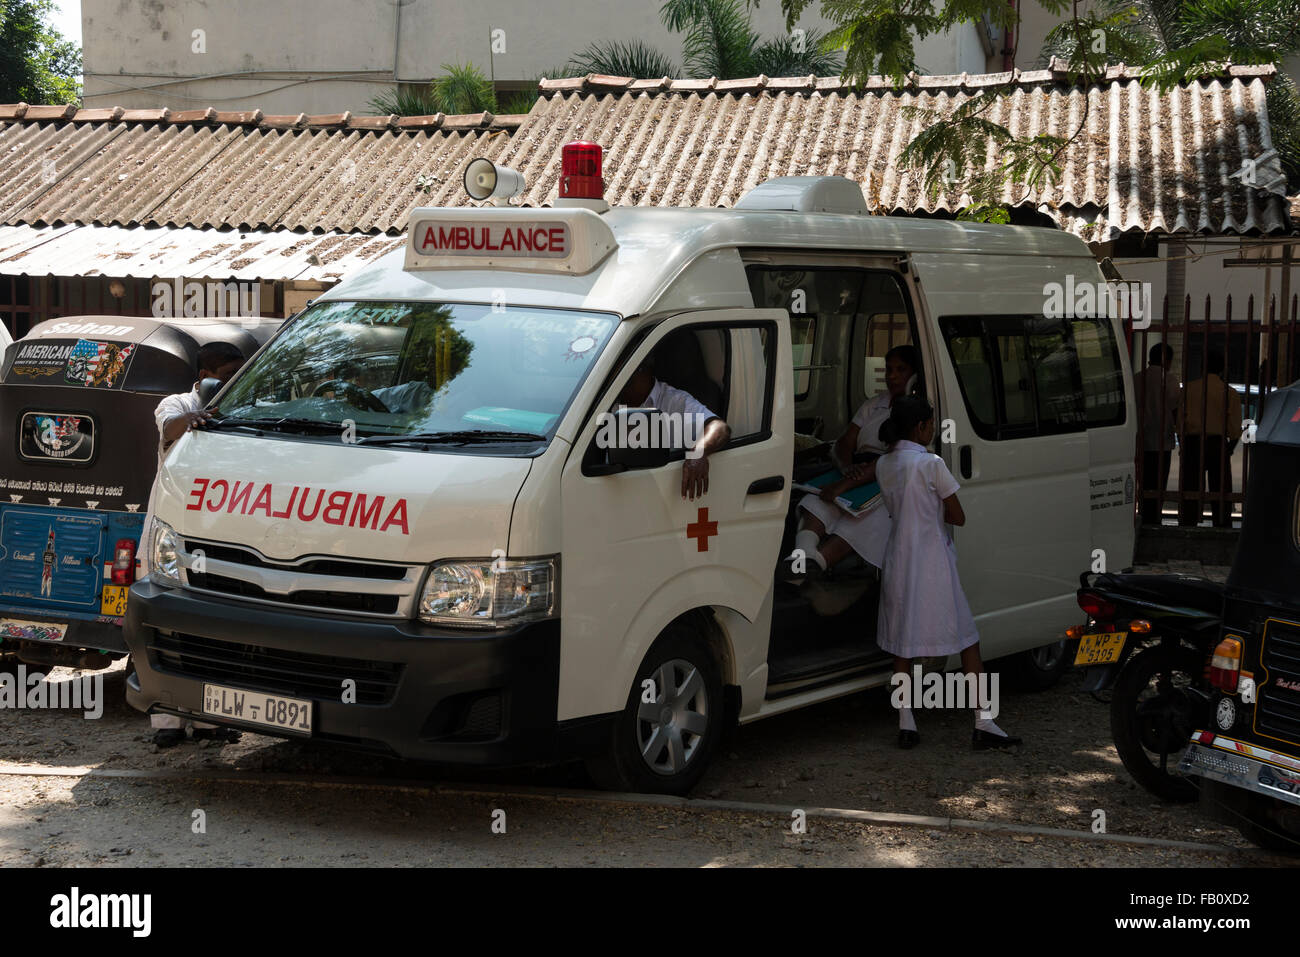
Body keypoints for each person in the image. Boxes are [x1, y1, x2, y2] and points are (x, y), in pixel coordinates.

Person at [874, 395, 1020, 751]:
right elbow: (957, 515)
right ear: (921, 426)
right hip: (932, 562)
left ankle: (906, 723)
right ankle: (983, 721)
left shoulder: (884, 464)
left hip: (898, 558)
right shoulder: (931, 463)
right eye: (931, 423)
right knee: (967, 639)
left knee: (902, 644)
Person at [143, 341, 246, 748]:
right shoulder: (177, 403)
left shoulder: (240, 406)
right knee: (168, 628)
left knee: (215, 631)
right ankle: (167, 721)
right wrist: (197, 414)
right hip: (170, 535)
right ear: (203, 376)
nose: (231, 383)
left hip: (217, 534)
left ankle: (209, 720)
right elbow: (169, 428)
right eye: (224, 376)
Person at [790, 345, 920, 577]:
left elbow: (892, 460)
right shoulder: (874, 404)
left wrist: (843, 485)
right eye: (889, 369)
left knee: (863, 519)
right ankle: (802, 557)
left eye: (901, 370)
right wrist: (846, 467)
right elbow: (846, 441)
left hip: (885, 475)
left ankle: (817, 564)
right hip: (856, 468)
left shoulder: (915, 411)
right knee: (816, 500)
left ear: (915, 374)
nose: (892, 376)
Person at [615, 356, 731, 500]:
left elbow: (718, 427)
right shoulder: (608, 403)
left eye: (628, 374)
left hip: (665, 492)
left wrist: (698, 453)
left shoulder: (674, 401)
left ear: (647, 371)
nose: (621, 381)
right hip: (619, 489)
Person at [1179, 350, 1242, 528]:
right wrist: (1229, 448)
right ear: (1222, 369)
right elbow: (1235, 427)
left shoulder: (1189, 389)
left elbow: (1179, 422)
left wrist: (1184, 444)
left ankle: (1188, 523)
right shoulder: (1229, 393)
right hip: (1217, 444)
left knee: (1190, 488)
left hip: (1193, 443)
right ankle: (1221, 523)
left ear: (1201, 367)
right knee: (1220, 490)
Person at [1133, 342, 1181, 524]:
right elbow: (1176, 411)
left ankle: (1143, 516)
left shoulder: (1137, 379)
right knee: (1159, 484)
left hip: (1141, 440)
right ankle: (1155, 519)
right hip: (1162, 441)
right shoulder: (1169, 380)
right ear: (1167, 360)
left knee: (1143, 484)